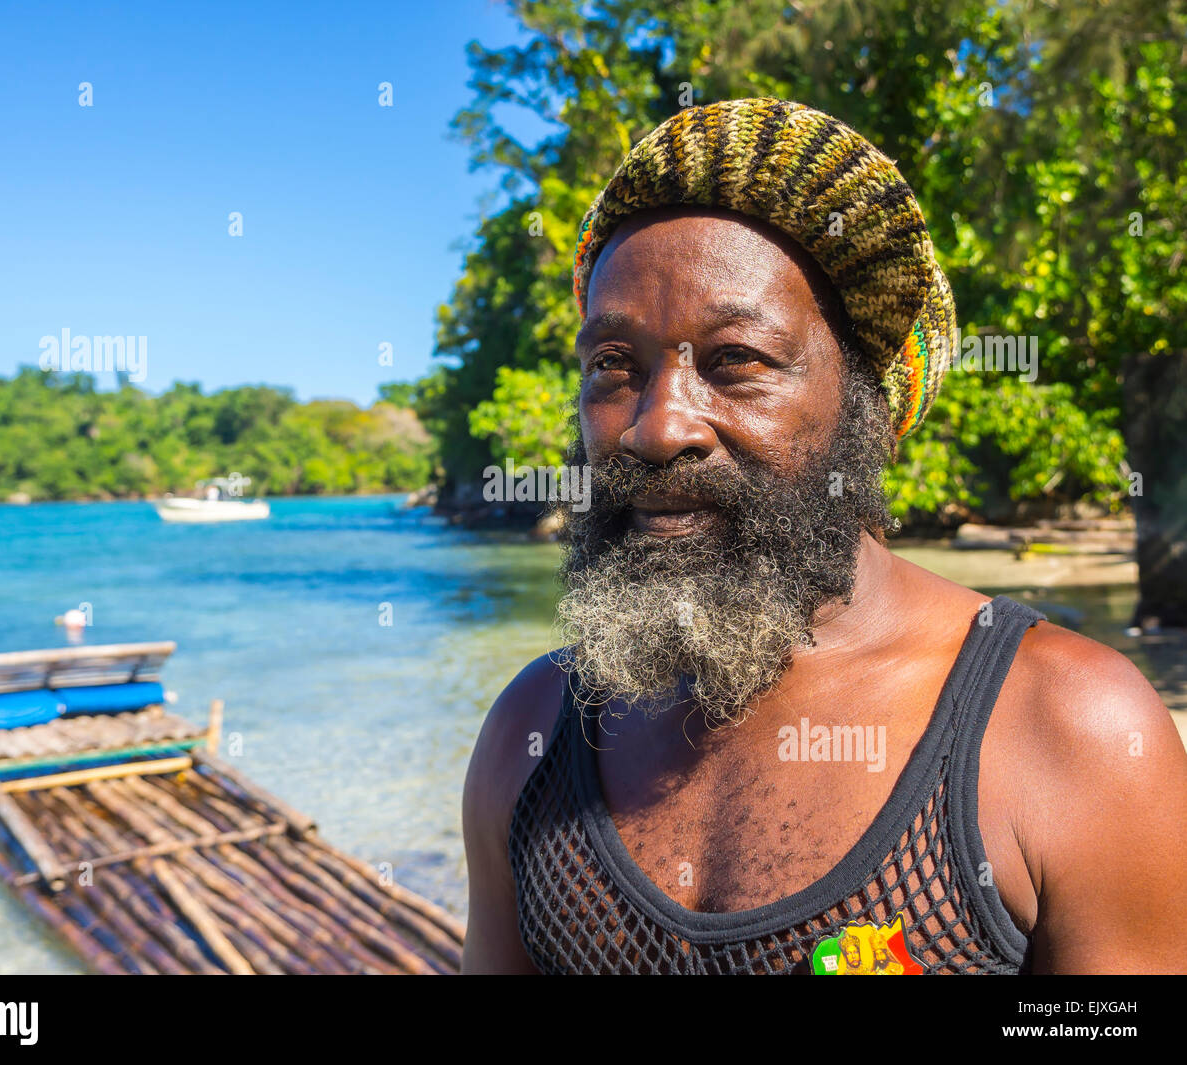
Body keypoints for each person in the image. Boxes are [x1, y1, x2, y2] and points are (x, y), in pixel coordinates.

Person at [461, 97, 1187, 975]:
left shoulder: (1070, 730)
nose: (659, 428)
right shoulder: (533, 734)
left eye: (736, 361)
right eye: (615, 367)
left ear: (869, 410)